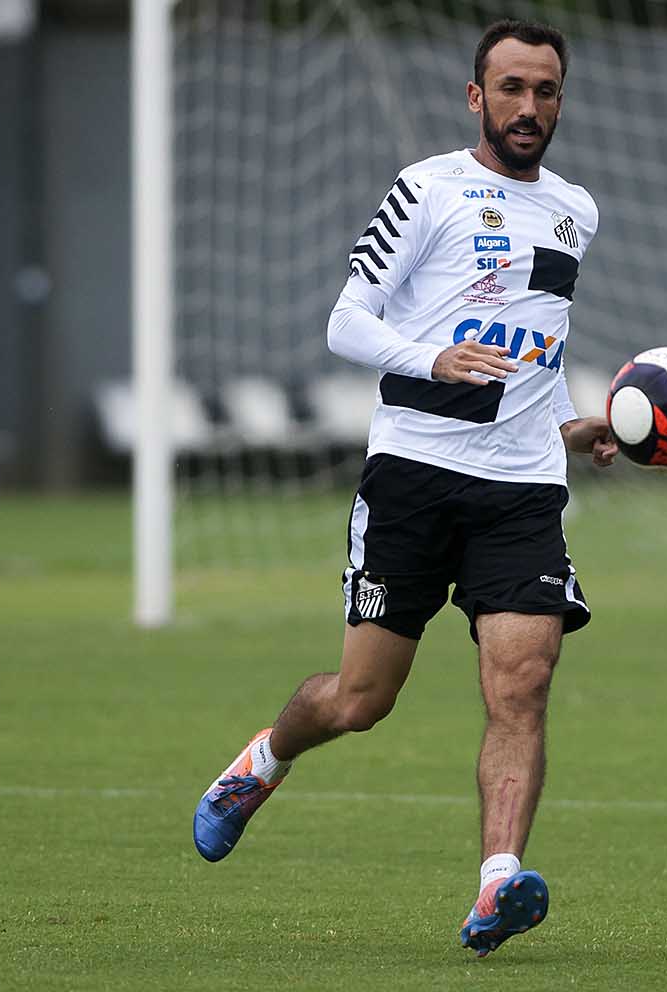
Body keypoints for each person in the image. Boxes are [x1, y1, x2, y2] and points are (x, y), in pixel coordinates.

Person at [193, 18, 617, 958]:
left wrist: (572, 420)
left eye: (545, 90)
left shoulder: (574, 211)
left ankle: (496, 883)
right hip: (415, 478)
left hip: (521, 488)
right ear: (477, 97)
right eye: (510, 88)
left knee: (524, 683)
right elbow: (346, 322)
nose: (528, 107)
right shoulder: (426, 190)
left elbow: (541, 344)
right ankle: (263, 759)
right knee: (361, 698)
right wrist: (431, 357)